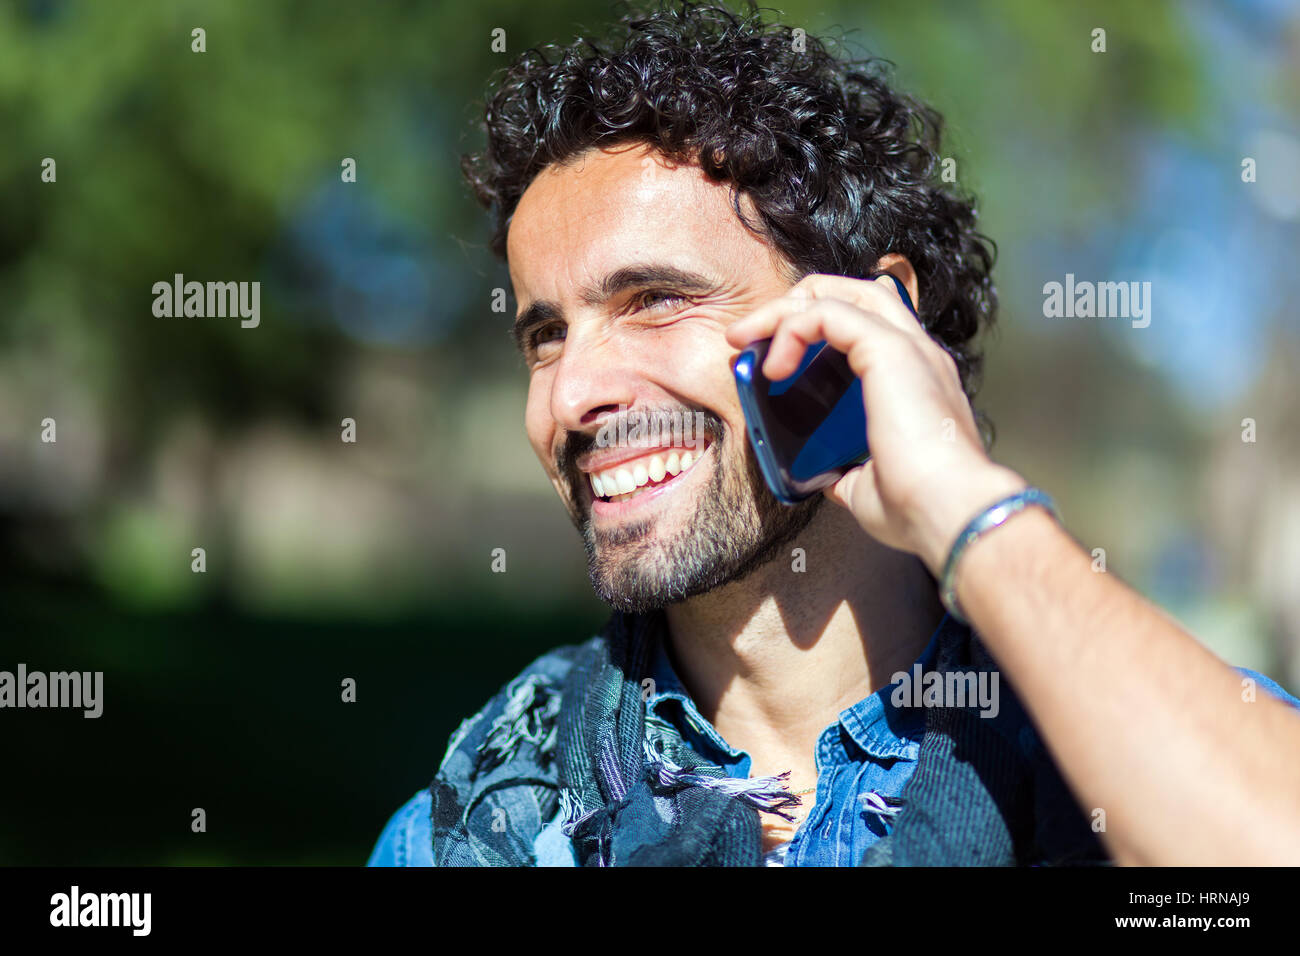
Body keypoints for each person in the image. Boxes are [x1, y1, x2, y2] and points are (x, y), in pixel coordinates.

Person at [368, 1, 1300, 867]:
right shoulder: (465, 827)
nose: (571, 393)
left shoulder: (1136, 751)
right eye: (546, 336)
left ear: (874, 320)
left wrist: (967, 508)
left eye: (654, 301)